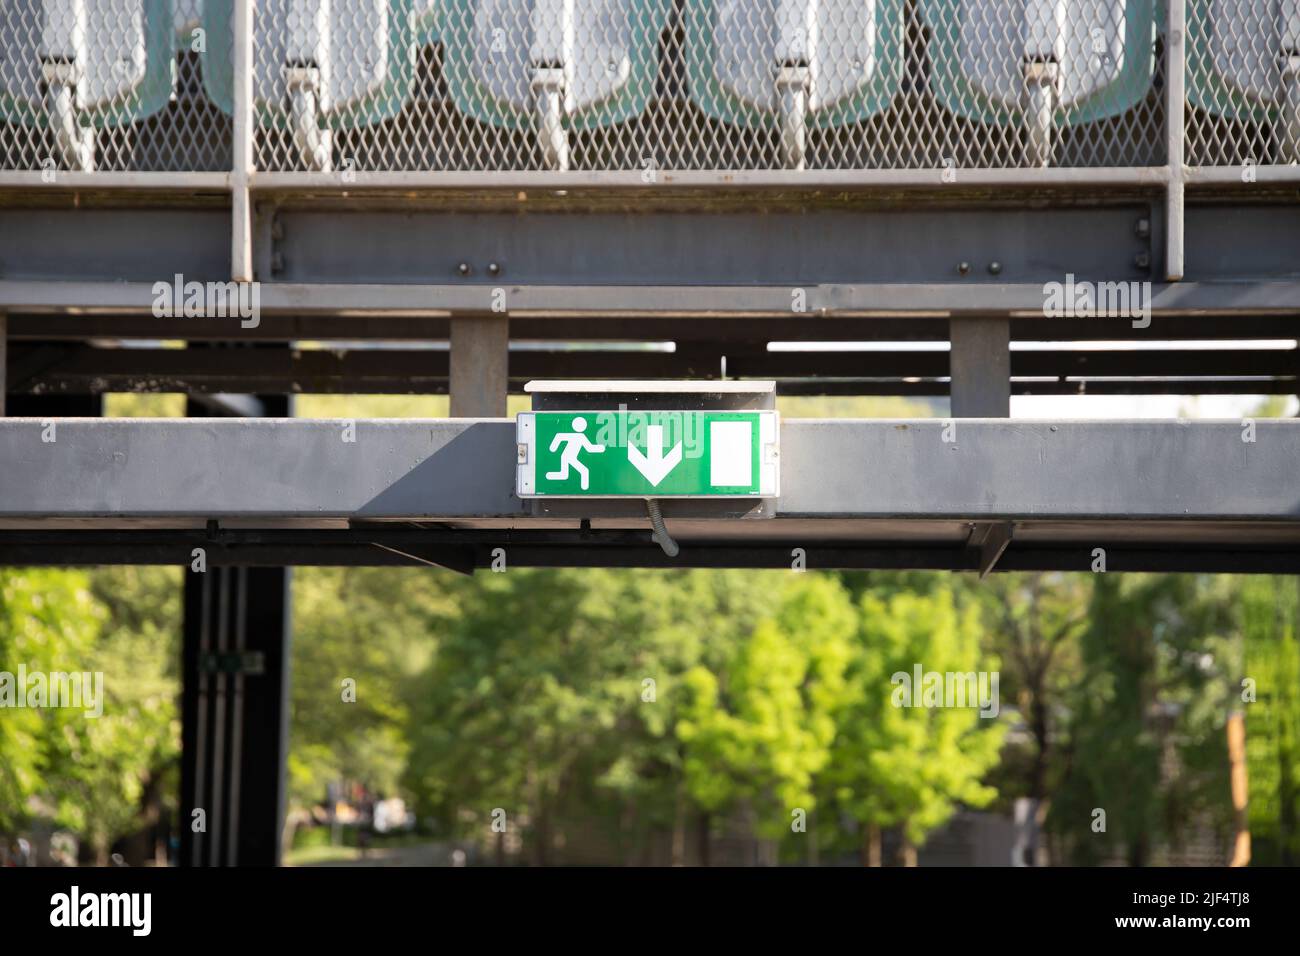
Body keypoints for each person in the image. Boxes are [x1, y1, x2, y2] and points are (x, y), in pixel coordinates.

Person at [545, 416, 606, 490]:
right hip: (568, 457)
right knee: (583, 471)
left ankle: (549, 475)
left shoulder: (580, 437)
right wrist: (601, 448)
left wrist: (600, 448)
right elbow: (589, 448)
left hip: (566, 456)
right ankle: (585, 488)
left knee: (565, 474)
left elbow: (589, 447)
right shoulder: (580, 437)